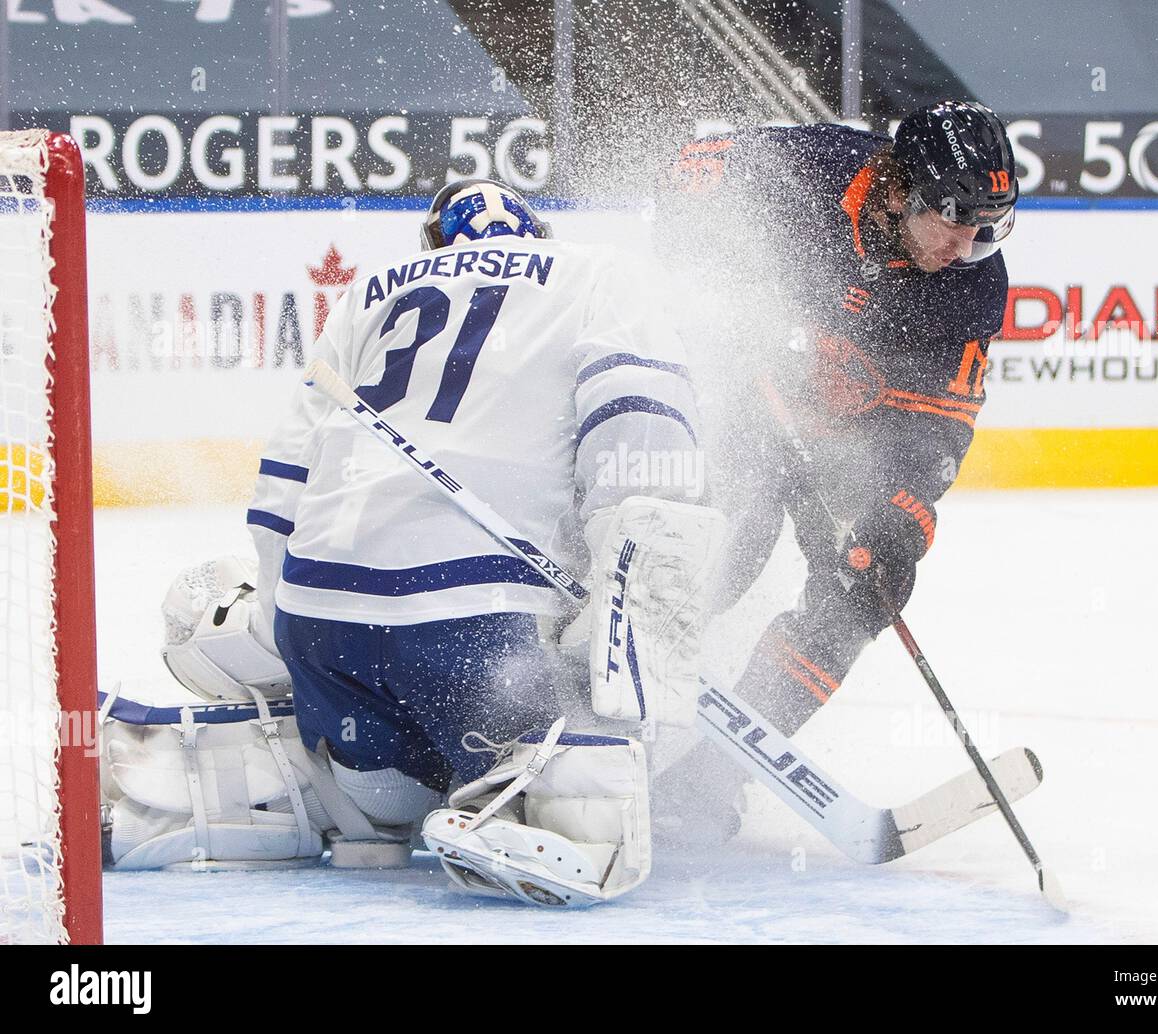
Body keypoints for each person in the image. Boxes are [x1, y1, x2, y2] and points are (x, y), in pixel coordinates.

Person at [103, 179, 722, 907]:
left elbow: (281, 489)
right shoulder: (598, 272)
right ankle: (521, 798)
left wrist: (283, 630)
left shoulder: (371, 291)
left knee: (385, 804)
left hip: (324, 627)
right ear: (536, 235)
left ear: (432, 246)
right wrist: (625, 612)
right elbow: (641, 428)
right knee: (618, 756)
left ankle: (252, 796)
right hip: (478, 631)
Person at [653, 101, 1017, 835]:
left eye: (985, 229)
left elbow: (939, 429)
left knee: (868, 588)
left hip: (853, 435)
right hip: (736, 398)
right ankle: (591, 705)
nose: (965, 245)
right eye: (953, 221)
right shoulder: (805, 168)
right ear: (898, 190)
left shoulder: (972, 284)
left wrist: (895, 526)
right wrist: (727, 296)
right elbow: (683, 180)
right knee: (737, 536)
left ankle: (713, 774)